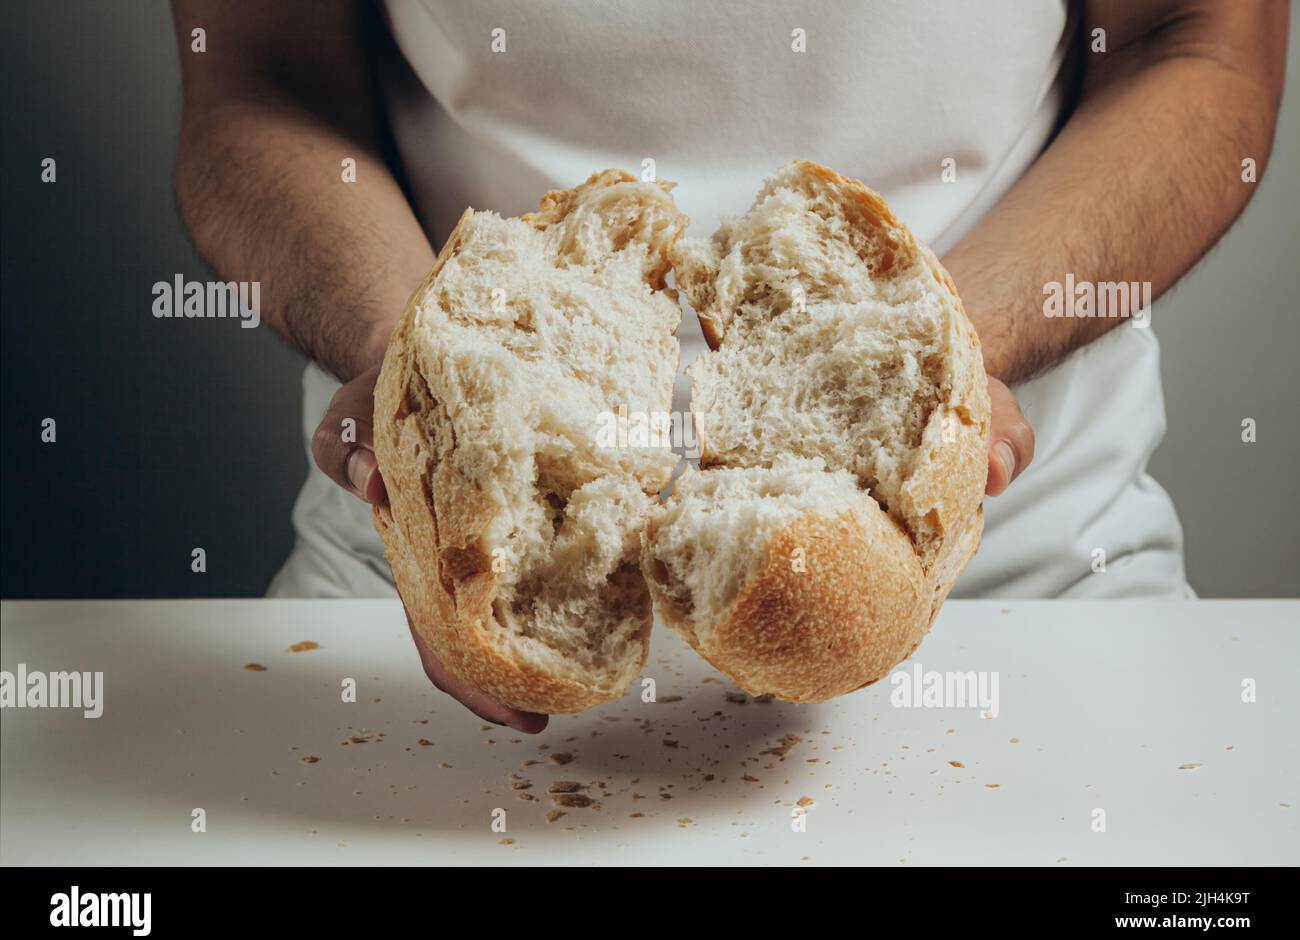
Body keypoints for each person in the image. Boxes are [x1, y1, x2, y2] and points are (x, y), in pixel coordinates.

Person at [171, 0, 1288, 731]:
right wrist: (409, 374)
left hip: (1035, 571)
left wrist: (940, 365)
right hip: (433, 578)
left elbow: (1197, 45)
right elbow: (259, 78)